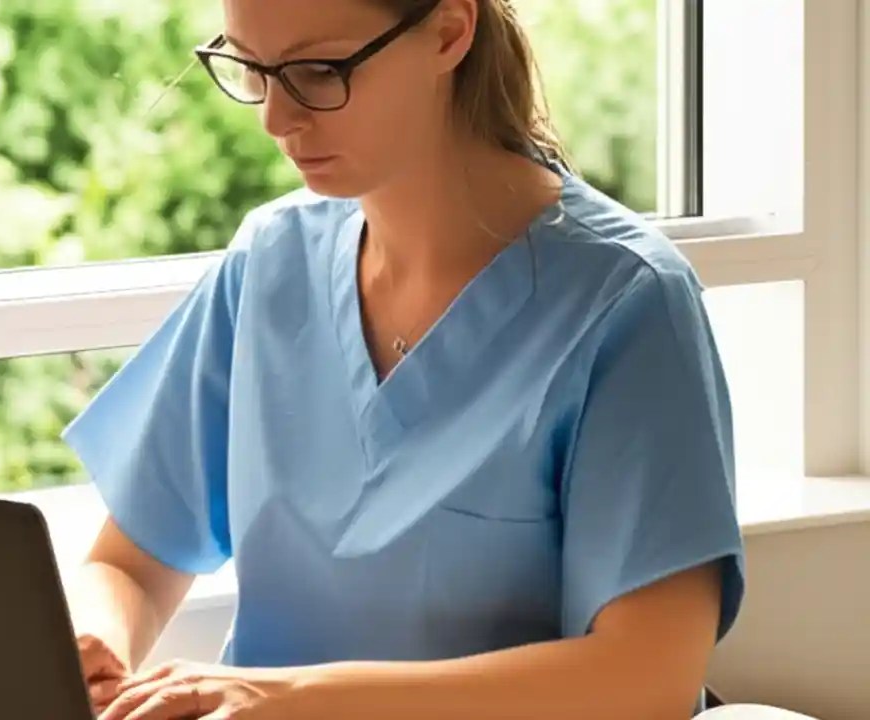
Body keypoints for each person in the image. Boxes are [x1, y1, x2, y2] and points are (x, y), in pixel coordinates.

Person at [61, 0, 746, 718]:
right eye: (253, 69)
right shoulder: (270, 261)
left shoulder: (628, 301)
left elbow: (647, 677)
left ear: (450, 32)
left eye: (318, 71)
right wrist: (91, 642)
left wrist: (289, 698)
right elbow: (129, 563)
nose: (276, 120)